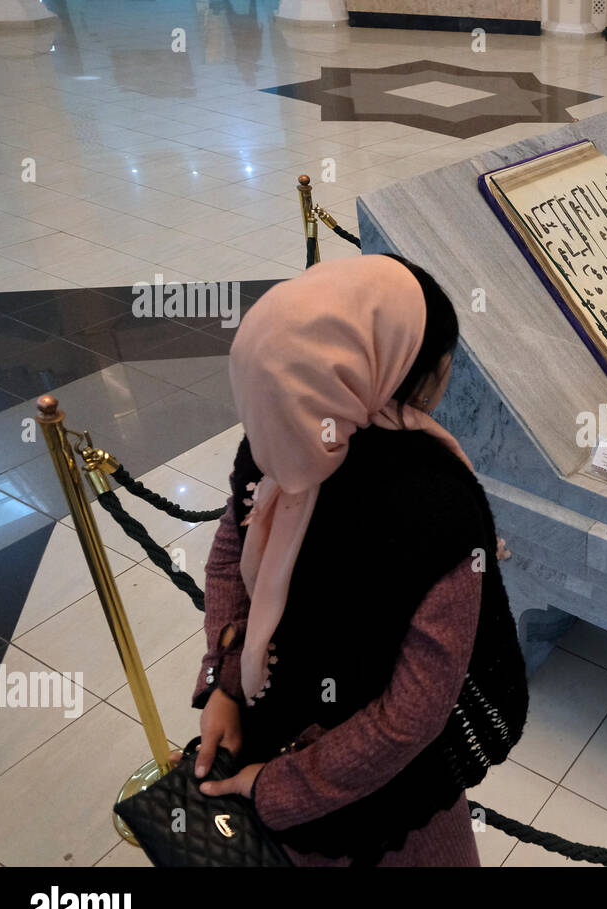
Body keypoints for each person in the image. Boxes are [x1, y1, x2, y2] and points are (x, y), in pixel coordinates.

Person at [188, 253, 527, 866]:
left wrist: (226, 684)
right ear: (403, 369)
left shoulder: (279, 438)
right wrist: (278, 788)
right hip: (384, 804)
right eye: (440, 359)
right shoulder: (439, 503)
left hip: (267, 733)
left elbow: (225, 567)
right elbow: (412, 716)